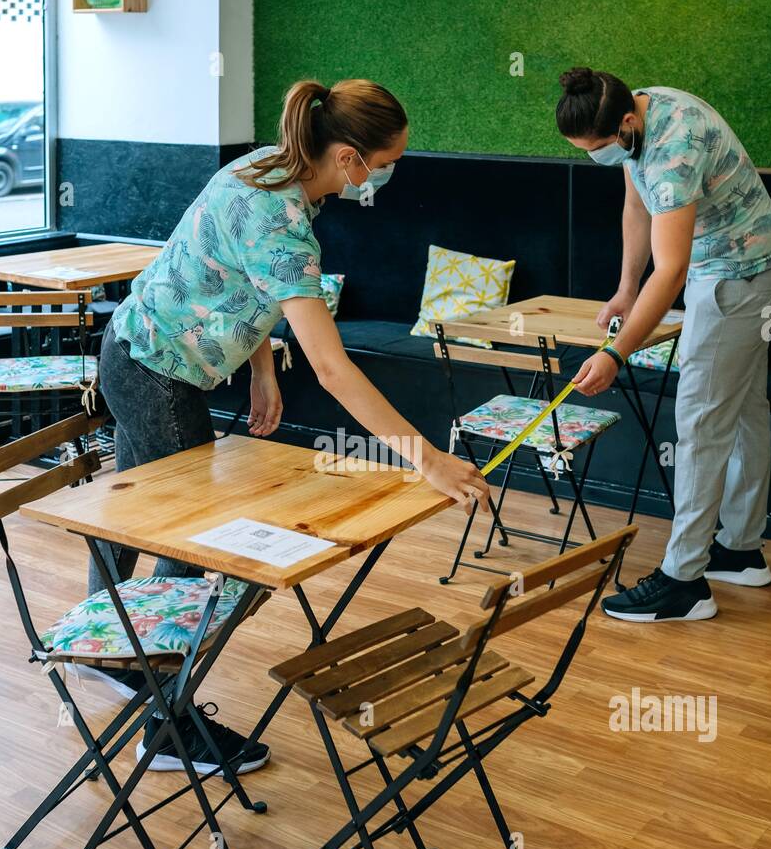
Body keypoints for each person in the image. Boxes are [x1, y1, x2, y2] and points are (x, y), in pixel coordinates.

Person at [91, 78, 490, 774]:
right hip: (159, 373)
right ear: (347, 158)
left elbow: (230, 279)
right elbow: (333, 370)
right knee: (200, 550)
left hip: (132, 349)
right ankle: (164, 722)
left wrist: (262, 366)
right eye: (386, 159)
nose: (389, 172)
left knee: (133, 511)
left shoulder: (263, 166)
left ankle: (110, 648)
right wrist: (427, 458)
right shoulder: (283, 223)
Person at [555, 67, 771, 623]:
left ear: (625, 123)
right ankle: (739, 549)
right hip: (763, 268)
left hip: (735, 279)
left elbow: (673, 271)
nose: (597, 157)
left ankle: (683, 581)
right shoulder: (643, 108)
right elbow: (637, 204)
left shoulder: (673, 152)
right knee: (744, 413)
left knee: (701, 423)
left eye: (598, 148)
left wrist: (616, 354)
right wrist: (623, 289)